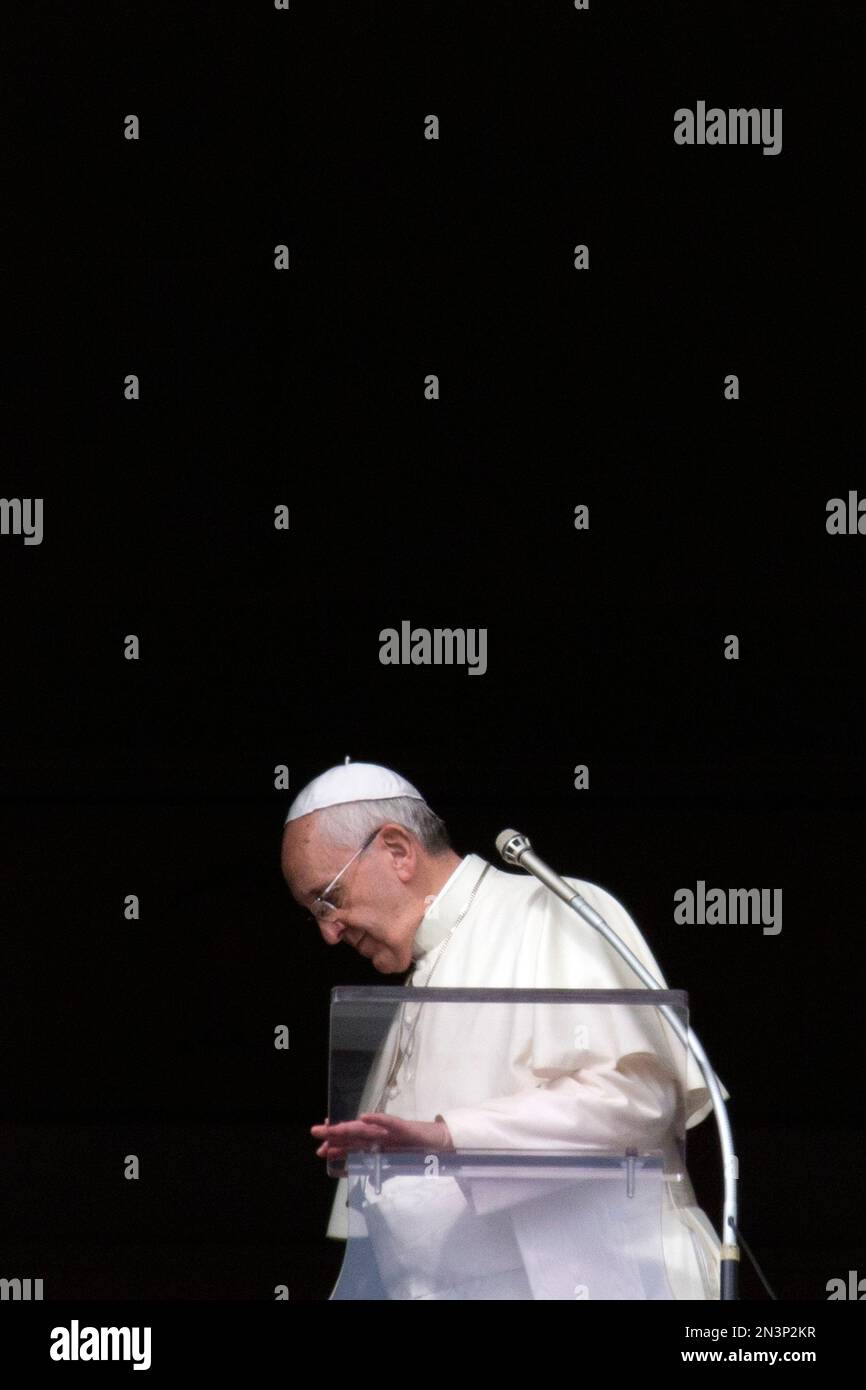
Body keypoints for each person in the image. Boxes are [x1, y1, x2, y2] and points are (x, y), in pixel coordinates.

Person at [281, 759, 729, 1299]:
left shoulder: (548, 912)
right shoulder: (416, 982)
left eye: (329, 898)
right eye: (313, 914)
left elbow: (636, 1096)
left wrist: (449, 1137)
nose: (329, 932)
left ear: (397, 851)